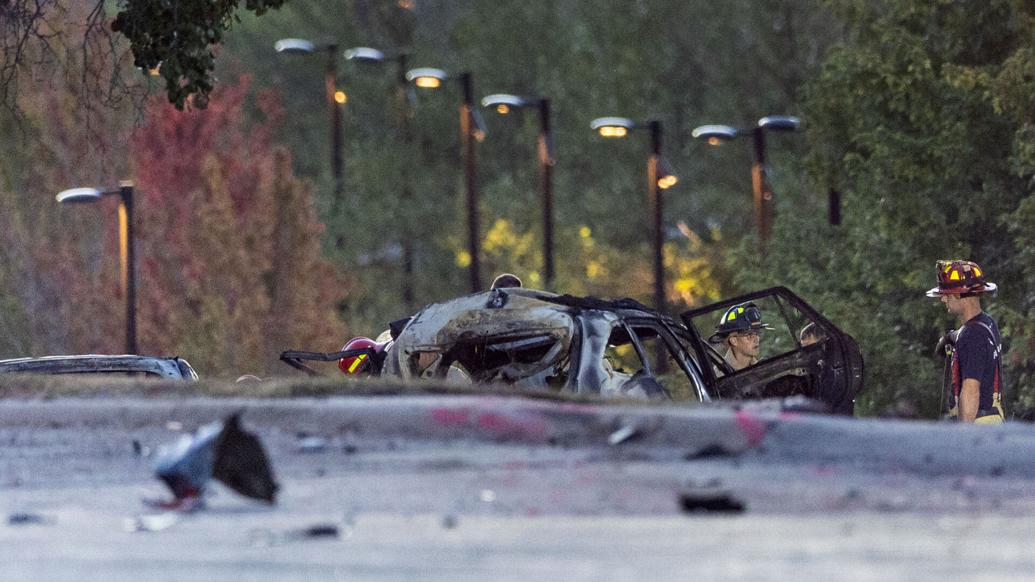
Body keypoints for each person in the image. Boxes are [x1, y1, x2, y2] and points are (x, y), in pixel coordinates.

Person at [927, 260, 1005, 424]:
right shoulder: (987, 323)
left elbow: (971, 391)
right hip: (994, 420)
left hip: (978, 428)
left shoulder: (971, 337)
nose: (943, 299)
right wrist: (950, 337)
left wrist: (963, 439)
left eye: (946, 294)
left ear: (959, 294)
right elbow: (973, 343)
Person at [708, 302, 773, 372]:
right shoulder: (721, 377)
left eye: (757, 333)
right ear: (734, 341)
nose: (756, 339)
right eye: (749, 335)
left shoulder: (764, 367)